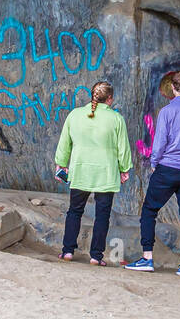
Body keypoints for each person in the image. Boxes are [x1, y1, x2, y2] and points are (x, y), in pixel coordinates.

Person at [124, 68, 180, 278]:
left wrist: (155, 162)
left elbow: (160, 141)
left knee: (149, 210)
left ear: (172, 88)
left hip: (167, 168)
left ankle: (147, 258)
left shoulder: (167, 112)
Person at [54, 80, 132, 265]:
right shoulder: (116, 119)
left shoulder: (75, 115)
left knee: (74, 211)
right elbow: (123, 148)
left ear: (92, 96)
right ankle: (96, 256)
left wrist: (61, 164)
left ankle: (67, 251)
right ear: (110, 99)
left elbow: (65, 143)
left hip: (81, 170)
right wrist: (124, 169)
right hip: (105, 173)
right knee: (102, 215)